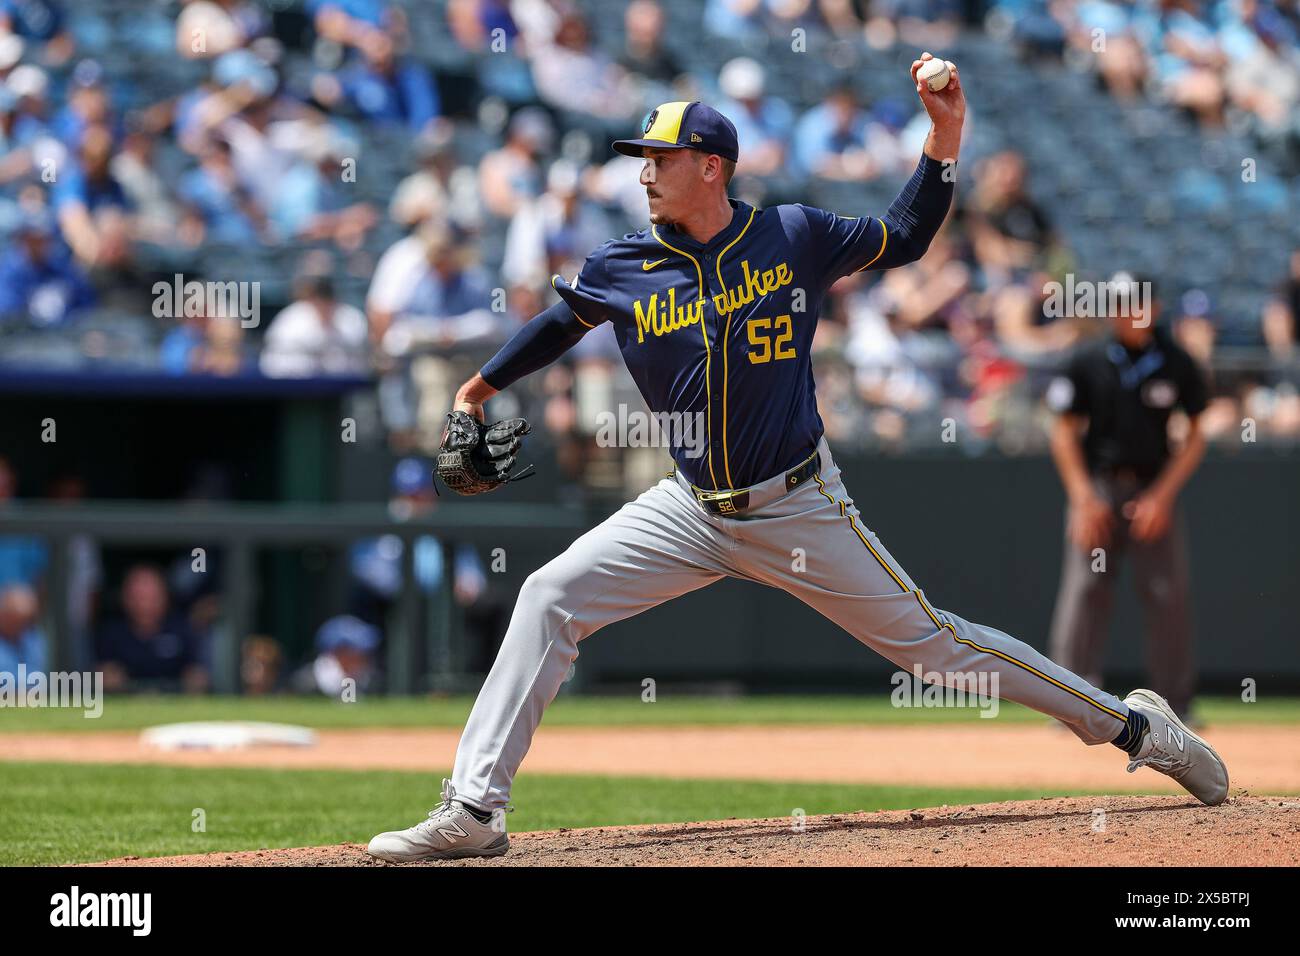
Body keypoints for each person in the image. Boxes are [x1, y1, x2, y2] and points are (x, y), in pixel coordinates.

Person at [367, 55, 1230, 863]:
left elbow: (904, 236)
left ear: (712, 166)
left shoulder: (793, 233)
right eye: (642, 159)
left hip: (799, 506)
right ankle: (476, 810)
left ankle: (1134, 727)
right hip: (689, 508)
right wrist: (475, 390)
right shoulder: (623, 263)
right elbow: (561, 324)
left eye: (661, 158)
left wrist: (944, 137)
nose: (644, 173)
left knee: (937, 652)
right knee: (548, 595)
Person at [1046, 274, 1209, 723]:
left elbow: (1196, 435)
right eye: (1117, 303)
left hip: (1152, 489)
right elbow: (1062, 432)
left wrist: (1162, 496)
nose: (1125, 312)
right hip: (1097, 487)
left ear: (1154, 308)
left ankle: (1176, 706)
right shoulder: (1087, 359)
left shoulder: (1176, 361)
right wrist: (1082, 498)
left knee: (1167, 594)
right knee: (1085, 590)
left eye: (1134, 303)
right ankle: (1069, 702)